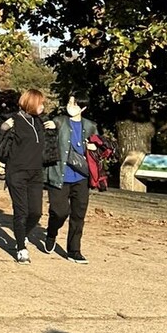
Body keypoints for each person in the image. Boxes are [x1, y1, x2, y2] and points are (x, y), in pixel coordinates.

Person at [0, 88, 55, 263]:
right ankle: (21, 248)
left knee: (36, 213)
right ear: (31, 103)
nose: (43, 106)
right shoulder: (14, 121)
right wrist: (3, 129)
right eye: (40, 103)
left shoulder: (40, 121)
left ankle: (22, 234)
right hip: (16, 172)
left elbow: (50, 143)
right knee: (21, 211)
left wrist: (54, 127)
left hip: (36, 173)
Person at [42, 90, 99, 263]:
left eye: (74, 104)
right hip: (59, 175)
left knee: (78, 215)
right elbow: (47, 137)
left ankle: (74, 250)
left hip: (81, 177)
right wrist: (51, 127)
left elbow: (98, 149)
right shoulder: (59, 121)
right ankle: (51, 233)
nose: (70, 106)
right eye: (69, 102)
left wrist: (94, 148)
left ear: (83, 108)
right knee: (59, 212)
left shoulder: (90, 126)